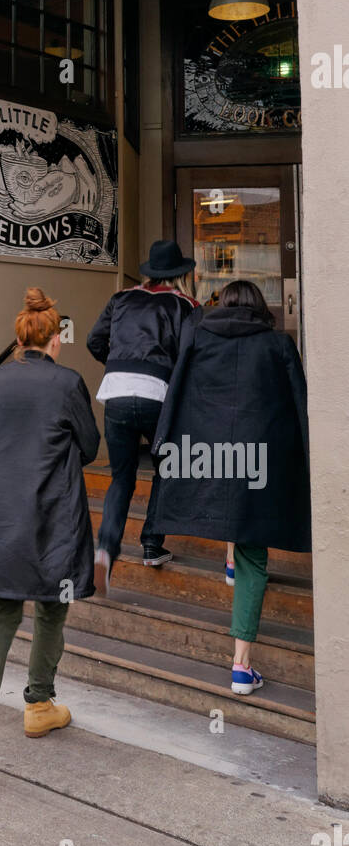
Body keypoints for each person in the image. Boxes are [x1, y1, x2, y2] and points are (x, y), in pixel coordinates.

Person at [0, 286, 100, 780]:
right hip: (51, 517)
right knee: (52, 610)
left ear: (20, 339)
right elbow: (90, 447)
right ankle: (39, 705)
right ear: (55, 338)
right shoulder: (67, 383)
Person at [151, 279, 311, 694]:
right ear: (260, 307)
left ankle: (228, 561)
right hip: (259, 458)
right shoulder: (278, 345)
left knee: (227, 507)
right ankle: (241, 664)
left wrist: (166, 445)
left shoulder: (199, 339)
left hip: (210, 454)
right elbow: (299, 405)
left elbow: (178, 394)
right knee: (254, 555)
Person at [86, 239, 201, 593]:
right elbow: (191, 356)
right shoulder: (187, 306)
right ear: (182, 274)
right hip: (158, 394)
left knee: (122, 477)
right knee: (167, 467)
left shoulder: (121, 298)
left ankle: (105, 549)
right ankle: (152, 543)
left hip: (116, 391)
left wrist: (123, 366)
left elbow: (94, 341)